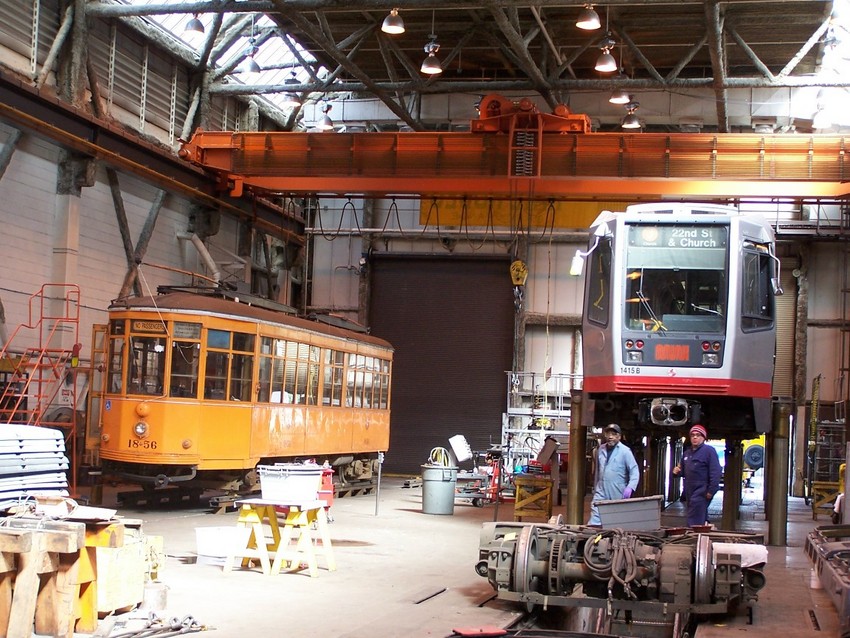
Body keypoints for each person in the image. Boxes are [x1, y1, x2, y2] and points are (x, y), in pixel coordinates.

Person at [587, 423, 640, 525]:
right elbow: (598, 471)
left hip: (617, 490)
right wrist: (595, 487)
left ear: (619, 437)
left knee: (616, 520)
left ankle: (613, 538)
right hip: (601, 490)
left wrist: (630, 487)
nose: (610, 436)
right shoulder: (600, 450)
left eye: (614, 434)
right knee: (595, 516)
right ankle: (593, 536)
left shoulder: (625, 451)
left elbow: (634, 470)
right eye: (608, 433)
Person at [672, 424, 722, 527]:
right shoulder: (687, 453)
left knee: (695, 516)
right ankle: (702, 534)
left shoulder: (709, 451)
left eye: (698, 435)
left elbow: (716, 472)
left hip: (702, 489)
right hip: (689, 489)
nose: (695, 437)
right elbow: (683, 470)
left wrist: (711, 490)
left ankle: (692, 537)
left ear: (703, 438)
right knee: (698, 513)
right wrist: (676, 472)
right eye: (692, 435)